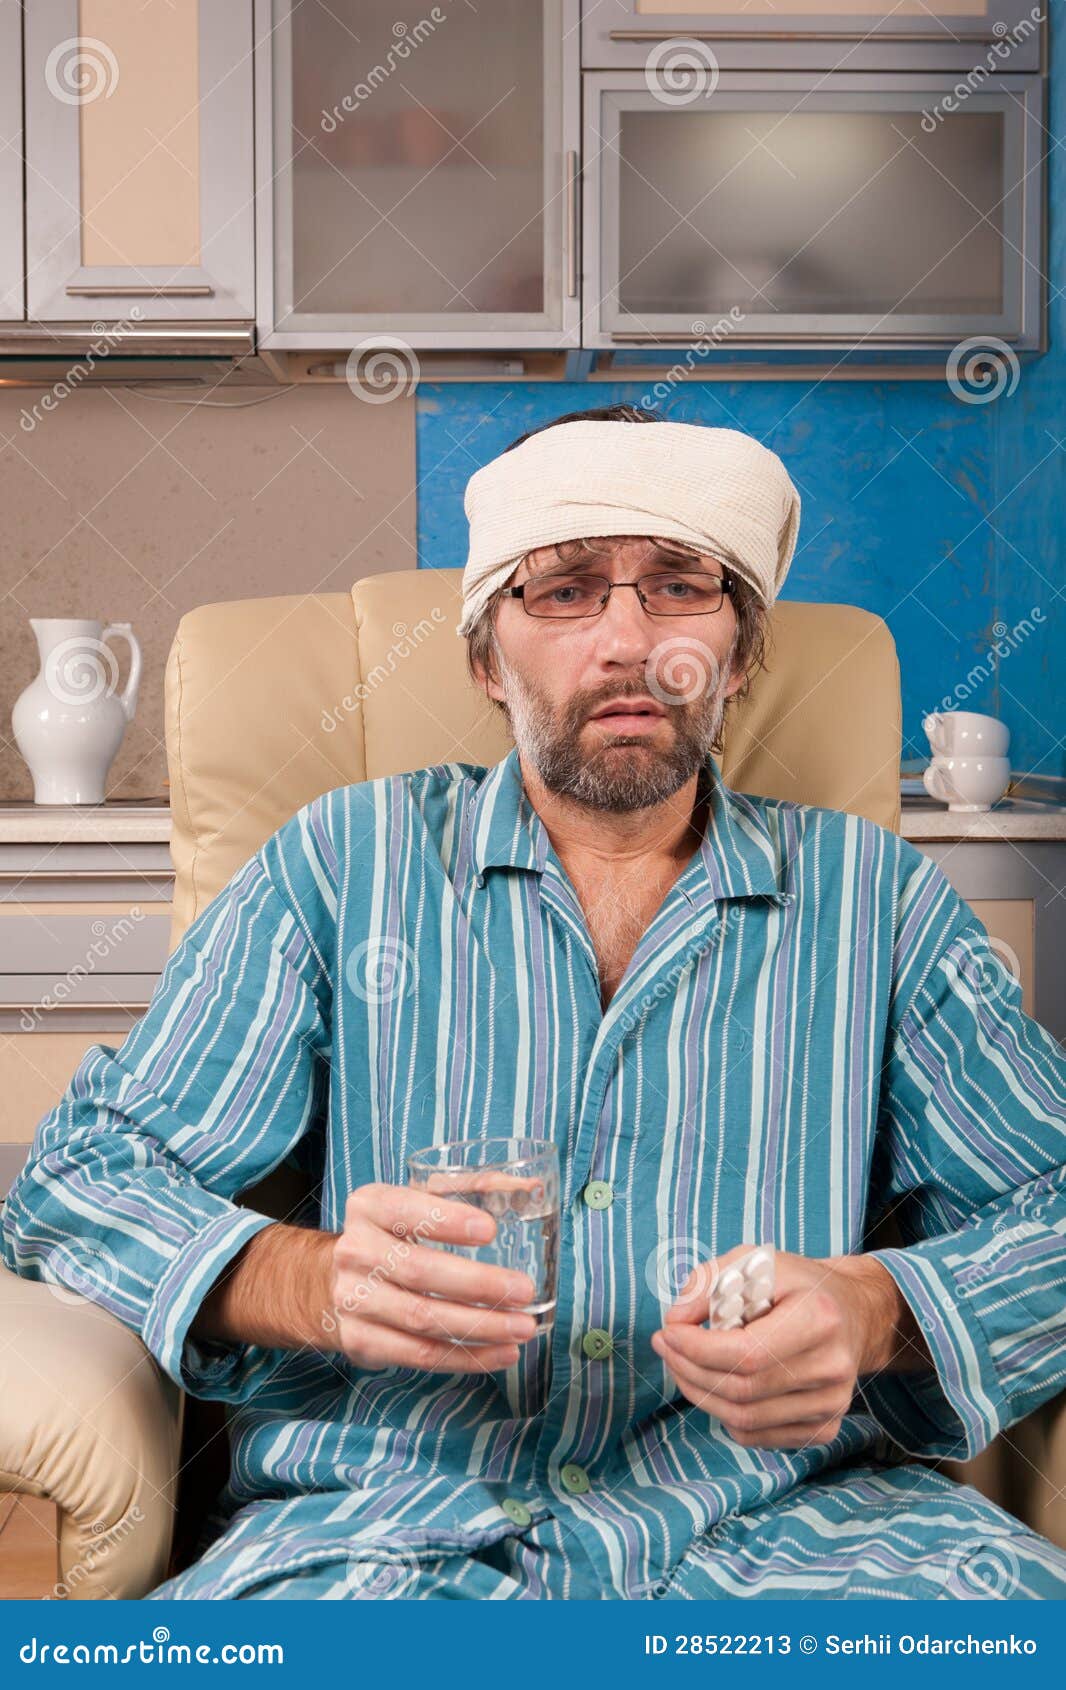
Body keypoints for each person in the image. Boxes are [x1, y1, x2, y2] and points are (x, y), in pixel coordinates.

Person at [3, 405, 1066, 1601]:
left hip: (801, 1536)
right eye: (563, 591)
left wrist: (876, 1309)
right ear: (483, 660)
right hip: (381, 1533)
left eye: (680, 587)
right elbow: (78, 1177)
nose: (628, 642)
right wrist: (309, 1280)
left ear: (737, 655)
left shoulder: (878, 902)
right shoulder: (342, 864)